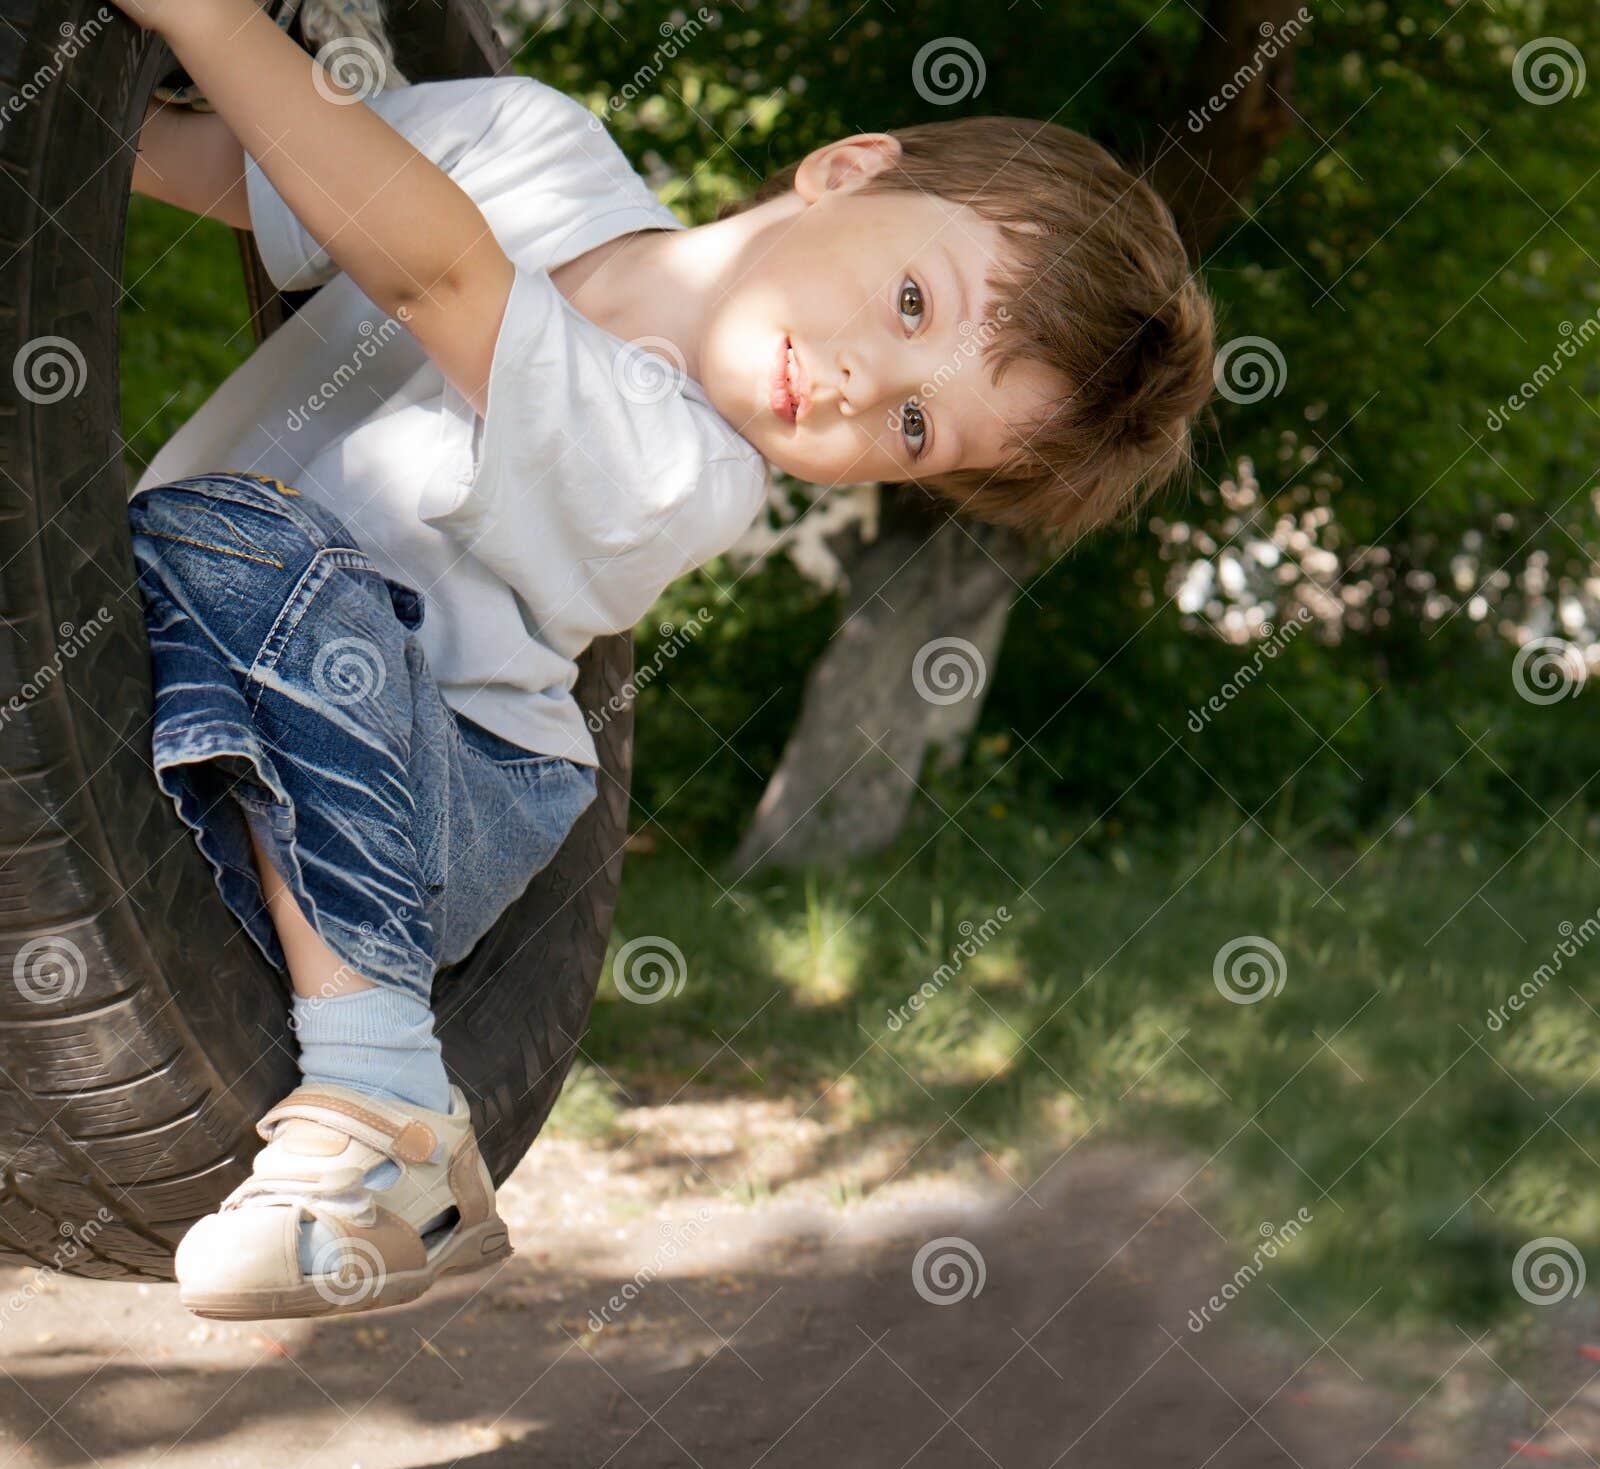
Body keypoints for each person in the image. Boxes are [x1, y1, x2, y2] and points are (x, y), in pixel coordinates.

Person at [110, 0, 1216, 1320]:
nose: (867, 381)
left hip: (423, 792)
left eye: (918, 425)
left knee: (253, 552)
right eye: (912, 299)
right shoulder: (537, 144)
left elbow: (441, 275)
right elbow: (257, 163)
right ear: (849, 170)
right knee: (209, 557)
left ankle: (390, 1103)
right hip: (210, 686)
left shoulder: (685, 474)